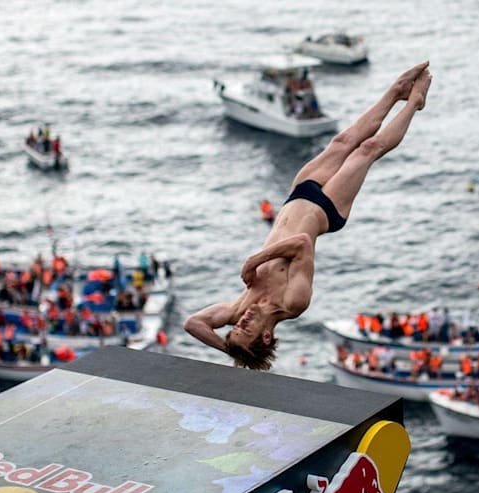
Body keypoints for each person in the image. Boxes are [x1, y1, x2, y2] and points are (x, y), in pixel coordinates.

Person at [185, 63, 432, 369]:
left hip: (297, 196)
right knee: (367, 149)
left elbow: (194, 323)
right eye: (245, 329)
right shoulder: (293, 302)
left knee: (343, 141)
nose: (242, 321)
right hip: (326, 210)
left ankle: (396, 91)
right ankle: (413, 103)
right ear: (265, 337)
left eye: (235, 328)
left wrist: (231, 349)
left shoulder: (238, 308)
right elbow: (301, 243)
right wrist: (254, 261)